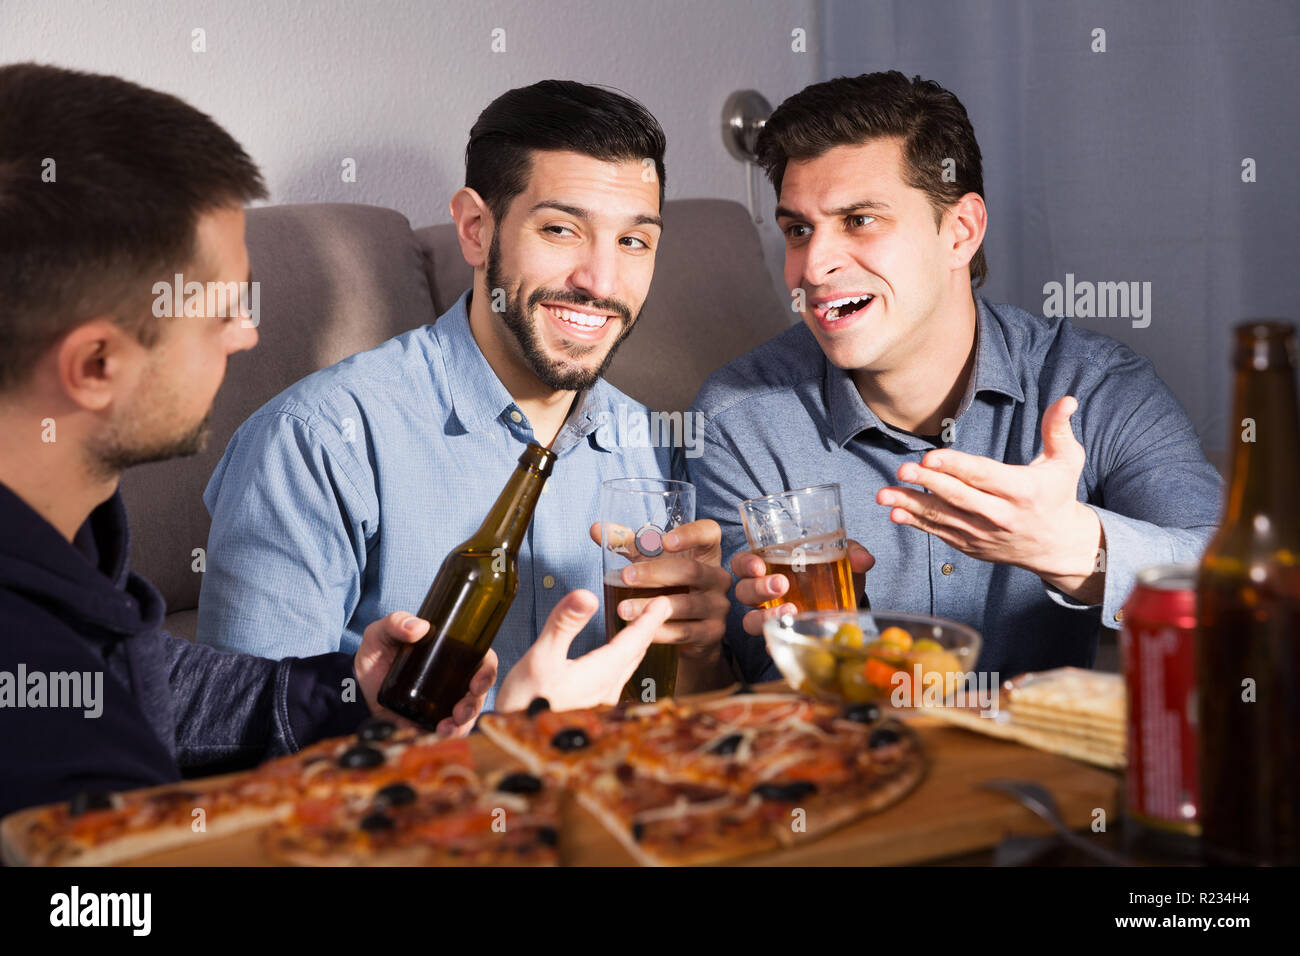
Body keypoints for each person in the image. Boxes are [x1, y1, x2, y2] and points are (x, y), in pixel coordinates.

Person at [0, 63, 671, 818]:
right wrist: (507, 752)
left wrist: (352, 695)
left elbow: (164, 684)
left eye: (636, 241)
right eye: (220, 308)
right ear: (94, 365)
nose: (250, 334)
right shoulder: (48, 712)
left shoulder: (79, 554)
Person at [195, 80, 735, 706]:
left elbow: (687, 716)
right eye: (561, 230)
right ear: (476, 228)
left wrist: (699, 651)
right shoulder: (315, 440)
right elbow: (254, 745)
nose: (601, 281)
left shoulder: (655, 445)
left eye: (634, 241)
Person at [688, 71, 1222, 683]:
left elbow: (1228, 585)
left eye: (860, 219)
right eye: (798, 230)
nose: (813, 266)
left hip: (1045, 769)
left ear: (960, 231)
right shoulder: (738, 418)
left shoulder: (1097, 386)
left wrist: (1072, 547)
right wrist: (837, 632)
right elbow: (758, 668)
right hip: (855, 758)